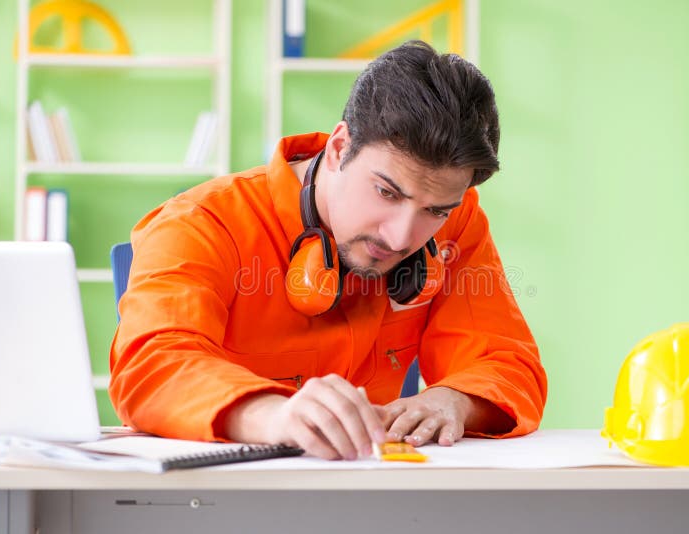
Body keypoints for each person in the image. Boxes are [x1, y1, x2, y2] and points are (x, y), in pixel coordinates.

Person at [109, 40, 547, 461]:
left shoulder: (459, 220)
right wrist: (273, 415)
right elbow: (151, 364)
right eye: (386, 193)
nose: (399, 238)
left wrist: (455, 401)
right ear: (339, 148)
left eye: (434, 210)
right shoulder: (199, 222)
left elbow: (508, 364)